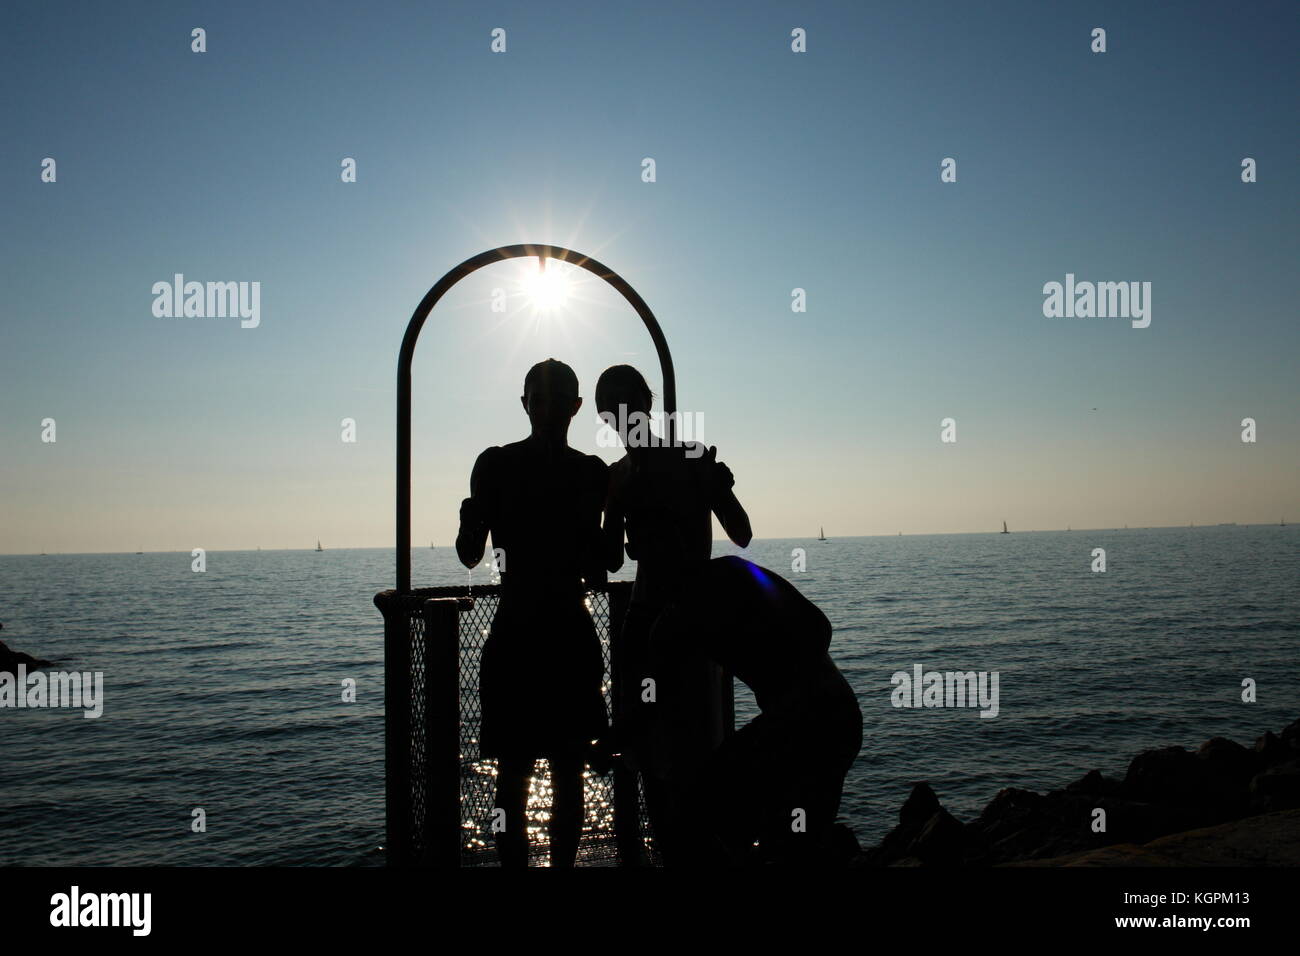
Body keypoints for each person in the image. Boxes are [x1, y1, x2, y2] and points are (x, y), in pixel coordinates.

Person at [594, 364, 751, 864]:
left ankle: (697, 851)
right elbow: (612, 559)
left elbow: (741, 529)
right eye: (614, 410)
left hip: (681, 623)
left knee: (687, 749)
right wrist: (609, 515)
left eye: (628, 404)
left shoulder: (687, 459)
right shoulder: (620, 476)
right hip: (653, 622)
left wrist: (716, 485)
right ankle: (676, 853)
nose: (624, 417)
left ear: (647, 400)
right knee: (652, 755)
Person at [456, 358, 609, 867]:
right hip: (562, 630)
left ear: (572, 406)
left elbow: (469, 552)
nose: (546, 409)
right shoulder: (589, 473)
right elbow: (606, 562)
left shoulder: (496, 465)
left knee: (522, 773)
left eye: (552, 399)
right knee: (556, 772)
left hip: (520, 631)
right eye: (540, 399)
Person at [658, 556, 863, 865]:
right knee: (793, 837)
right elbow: (819, 627)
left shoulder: (705, 597)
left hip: (809, 724)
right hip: (834, 719)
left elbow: (818, 629)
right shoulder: (730, 576)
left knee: (707, 813)